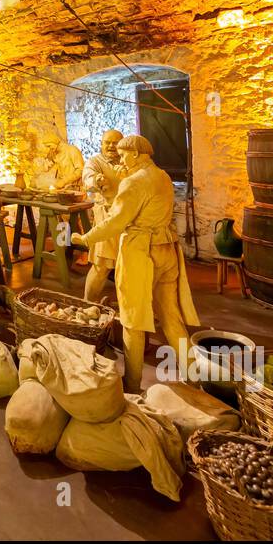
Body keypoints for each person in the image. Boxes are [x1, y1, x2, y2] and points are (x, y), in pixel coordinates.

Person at [72, 135, 198, 393]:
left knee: (133, 320)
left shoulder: (134, 182)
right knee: (171, 317)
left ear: (137, 154)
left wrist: (86, 238)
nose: (120, 158)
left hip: (141, 253)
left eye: (124, 153)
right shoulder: (162, 175)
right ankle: (196, 377)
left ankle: (131, 385)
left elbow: (116, 222)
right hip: (166, 249)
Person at [81, 129, 124, 302]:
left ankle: (130, 309)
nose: (111, 146)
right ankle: (86, 304)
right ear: (101, 143)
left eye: (115, 143)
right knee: (102, 264)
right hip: (107, 217)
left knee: (129, 264)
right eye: (107, 142)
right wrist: (96, 181)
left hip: (129, 218)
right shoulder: (95, 162)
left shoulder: (128, 161)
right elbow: (88, 178)